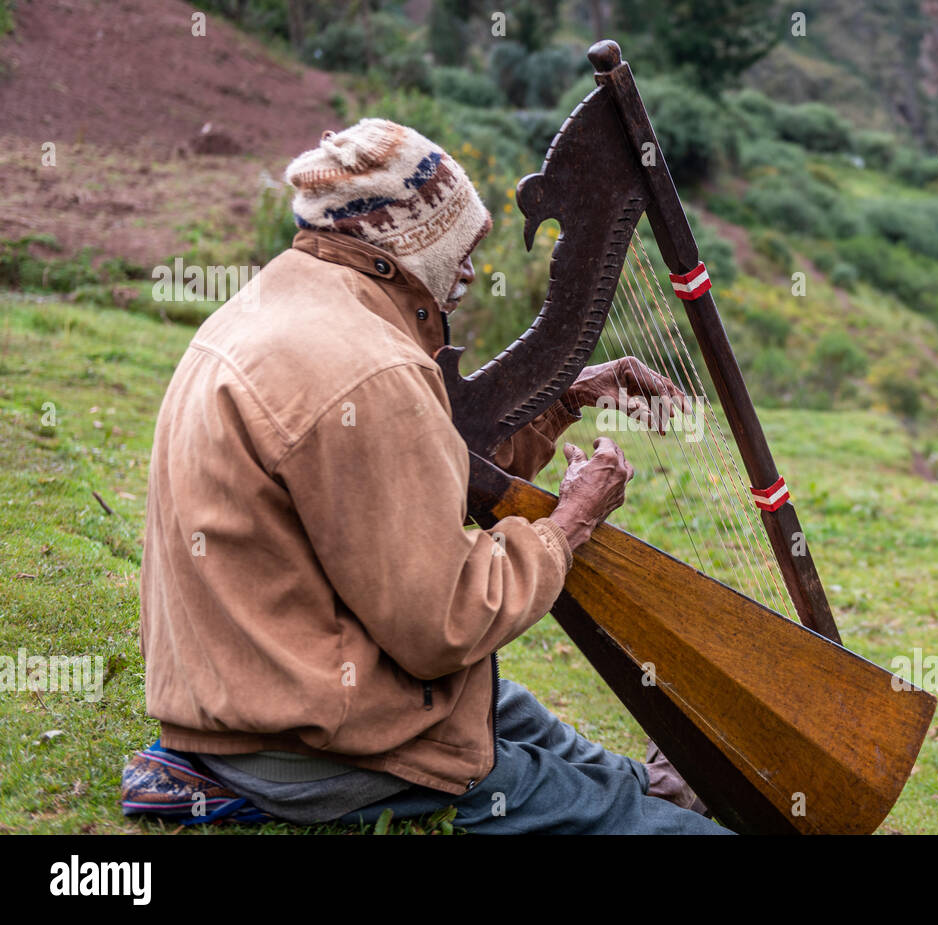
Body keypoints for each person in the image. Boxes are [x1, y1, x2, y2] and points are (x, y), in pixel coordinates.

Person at [129, 118, 725, 834]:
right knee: (651, 824)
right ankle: (647, 807)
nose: (472, 271)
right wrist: (568, 526)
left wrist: (565, 396)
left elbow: (423, 475)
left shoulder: (287, 304)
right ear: (409, 244)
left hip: (239, 686)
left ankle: (640, 783)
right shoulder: (369, 369)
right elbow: (444, 624)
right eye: (463, 248)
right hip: (311, 747)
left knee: (507, 708)